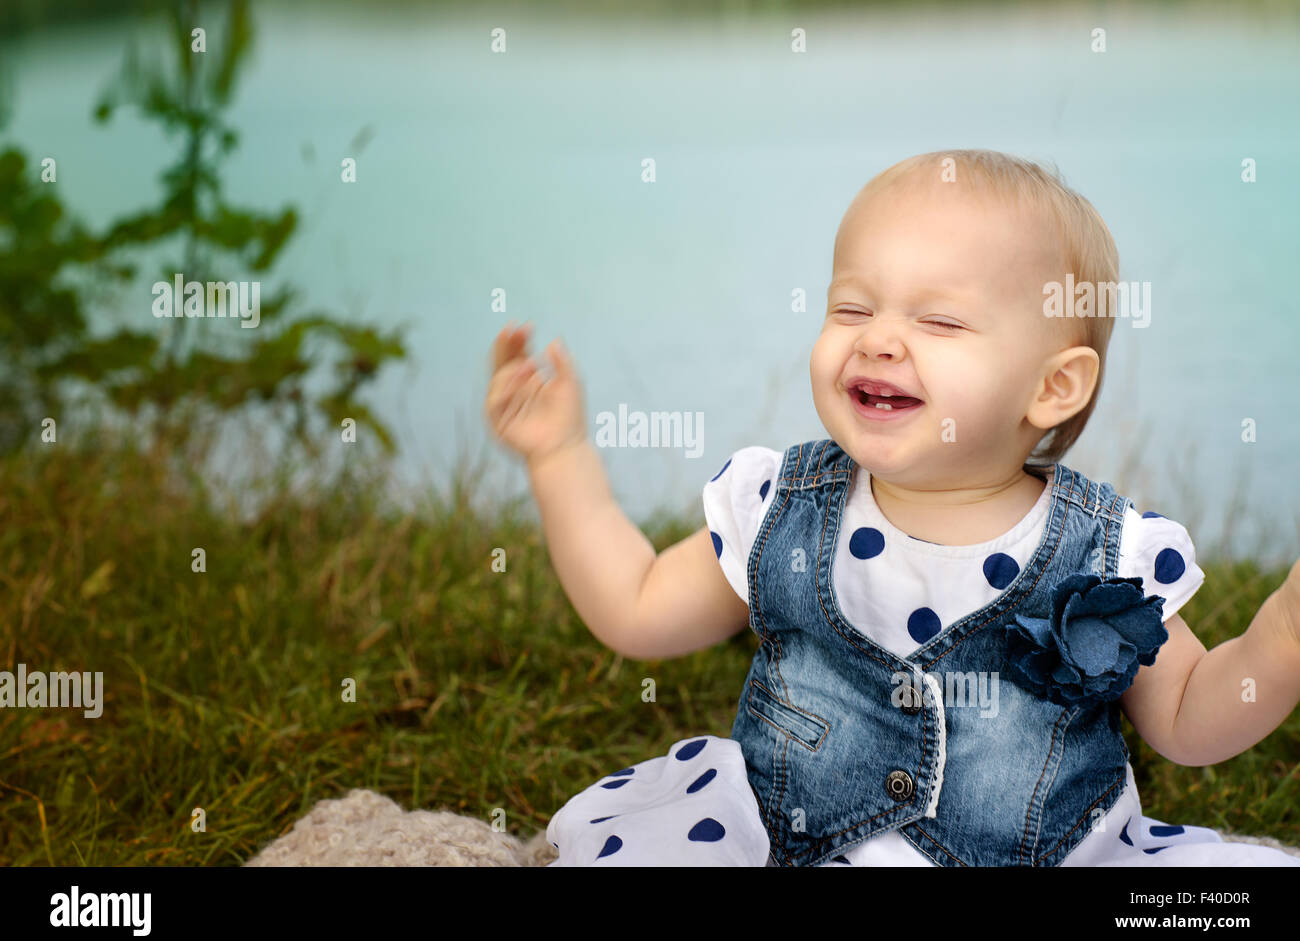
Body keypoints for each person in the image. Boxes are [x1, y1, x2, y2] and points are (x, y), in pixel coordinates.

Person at [483, 149, 1300, 866]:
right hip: (791, 845)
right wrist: (560, 458)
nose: (878, 339)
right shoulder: (784, 512)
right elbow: (635, 609)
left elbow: (1192, 722)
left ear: (1053, 386)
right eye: (851, 307)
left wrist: (1284, 635)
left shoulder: (1104, 553)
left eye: (939, 319)